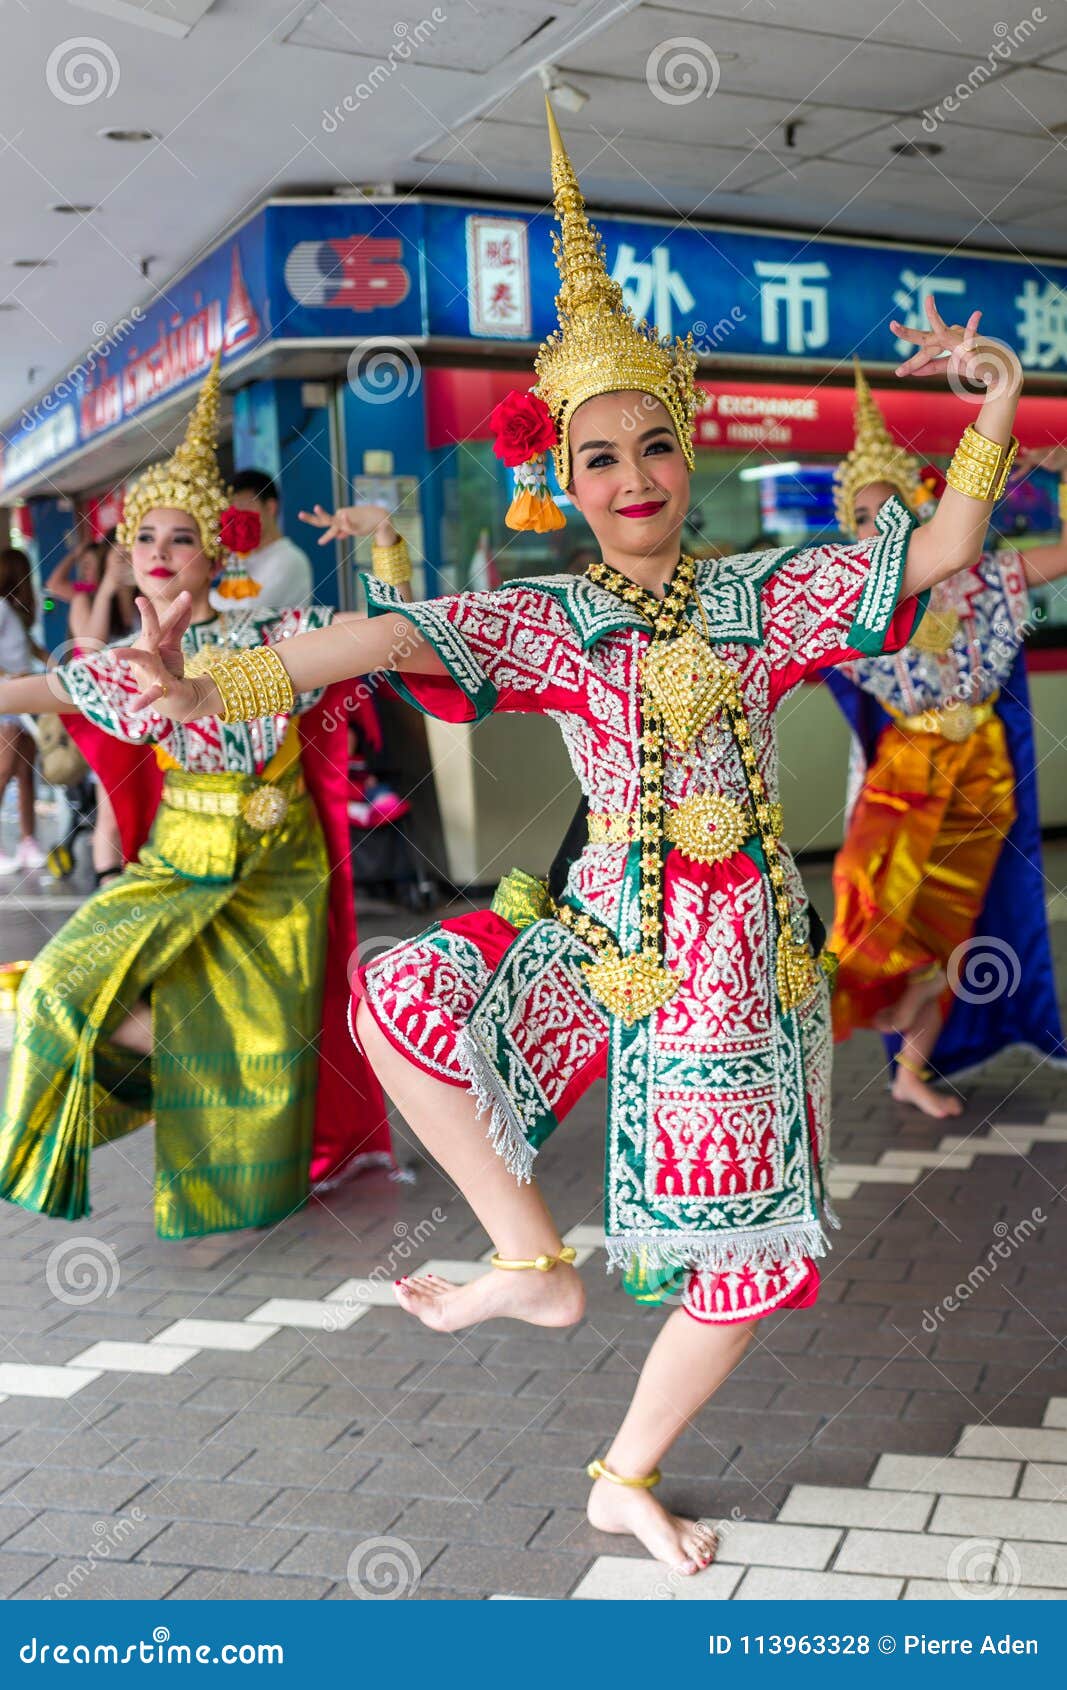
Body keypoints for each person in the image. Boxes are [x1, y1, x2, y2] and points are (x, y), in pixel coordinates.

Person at [120, 101, 1024, 1572]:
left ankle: (623, 1471)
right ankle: (530, 1259)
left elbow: (937, 550)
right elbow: (360, 638)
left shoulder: (762, 594)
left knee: (743, 1267)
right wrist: (200, 677)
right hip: (602, 927)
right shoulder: (547, 616)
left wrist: (993, 404)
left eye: (652, 445)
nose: (630, 478)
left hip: (734, 968)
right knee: (401, 995)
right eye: (596, 458)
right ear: (564, 476)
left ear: (685, 452)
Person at [0, 359, 392, 1237]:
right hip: (177, 859)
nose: (160, 556)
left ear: (218, 548)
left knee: (272, 1039)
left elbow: (389, 640)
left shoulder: (278, 635)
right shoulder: (113, 665)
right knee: (57, 988)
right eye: (144, 540)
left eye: (180, 540)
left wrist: (385, 547)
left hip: (276, 868)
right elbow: (24, 692)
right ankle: (214, 1082)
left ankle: (261, 1128)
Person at [824, 364, 1065, 1116]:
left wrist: (1061, 471)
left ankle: (910, 1071)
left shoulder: (984, 578)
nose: (876, 526)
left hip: (977, 770)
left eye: (888, 506)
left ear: (919, 504)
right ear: (847, 529)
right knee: (870, 909)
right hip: (902, 770)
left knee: (954, 927)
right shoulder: (838, 600)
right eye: (861, 516)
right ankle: (876, 1019)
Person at [0, 547, 46, 875]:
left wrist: (60, 666)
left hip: (21, 701)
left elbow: (30, 648)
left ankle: (28, 840)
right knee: (3, 772)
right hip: (8, 702)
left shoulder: (13, 611)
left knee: (24, 771)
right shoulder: (1, 609)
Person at [208, 468, 313, 612]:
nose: (235, 518)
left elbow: (245, 611)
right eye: (230, 511)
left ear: (270, 508)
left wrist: (197, 597)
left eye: (242, 508)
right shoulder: (239, 558)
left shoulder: (290, 559)